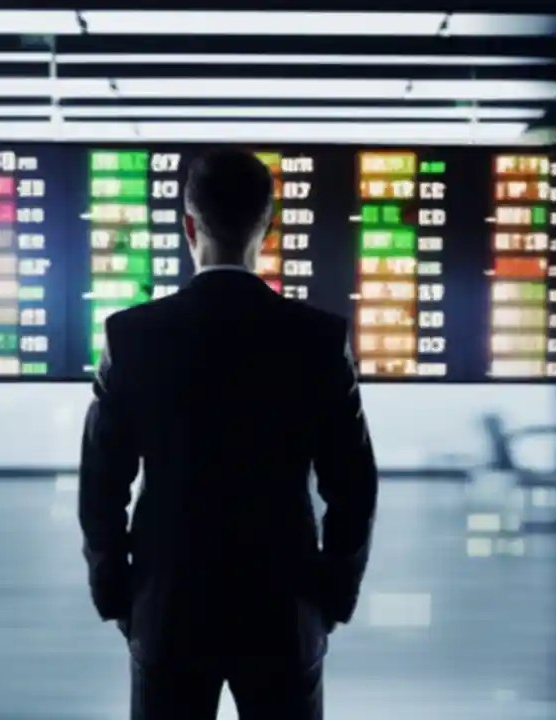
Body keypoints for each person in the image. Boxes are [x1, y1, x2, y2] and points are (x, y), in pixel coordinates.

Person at [78, 148, 379, 720]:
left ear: (189, 225)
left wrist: (118, 594)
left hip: (168, 606)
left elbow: (102, 483)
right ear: (268, 226)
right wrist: (331, 597)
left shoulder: (133, 336)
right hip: (283, 608)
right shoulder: (317, 338)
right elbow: (353, 484)